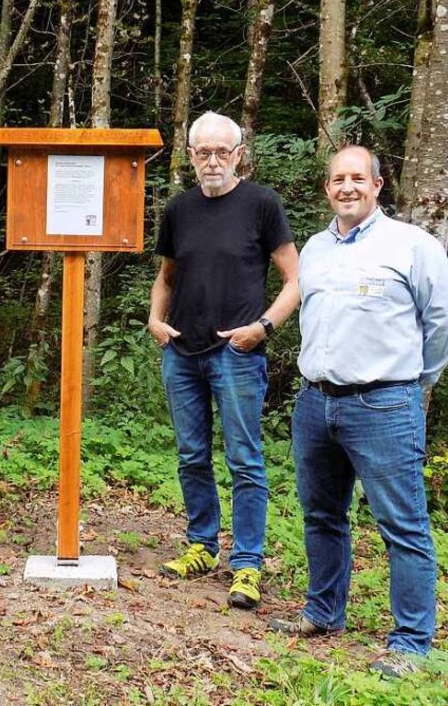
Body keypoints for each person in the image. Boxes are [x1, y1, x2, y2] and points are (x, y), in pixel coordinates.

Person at [269, 146, 448, 678]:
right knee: (323, 515)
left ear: (377, 185)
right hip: (315, 402)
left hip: (385, 403)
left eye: (357, 178)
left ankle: (412, 644)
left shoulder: (412, 246)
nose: (346, 187)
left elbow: (441, 323)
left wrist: (418, 381)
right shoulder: (317, 250)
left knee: (403, 524)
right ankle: (324, 614)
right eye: (337, 179)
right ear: (327, 188)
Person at [147, 111, 299, 609]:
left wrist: (264, 328)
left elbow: (295, 279)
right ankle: (202, 546)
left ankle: (248, 565)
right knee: (191, 456)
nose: (212, 160)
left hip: (237, 354)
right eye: (202, 151)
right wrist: (155, 319)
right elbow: (167, 275)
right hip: (182, 354)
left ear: (238, 154)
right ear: (190, 156)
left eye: (221, 151)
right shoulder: (179, 209)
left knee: (245, 460)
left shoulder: (261, 204)